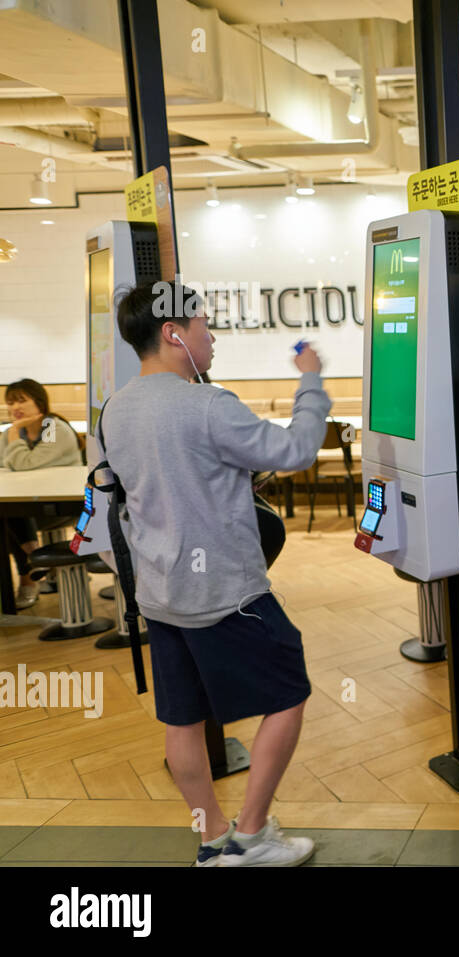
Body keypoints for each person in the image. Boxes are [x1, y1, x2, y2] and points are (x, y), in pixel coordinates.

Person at [100, 281, 329, 867]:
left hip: (161, 594)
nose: (212, 336)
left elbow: (158, 484)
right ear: (174, 333)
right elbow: (298, 449)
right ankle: (251, 835)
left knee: (183, 719)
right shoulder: (207, 404)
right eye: (203, 324)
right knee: (290, 692)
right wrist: (310, 379)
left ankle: (211, 839)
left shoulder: (116, 408)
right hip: (226, 594)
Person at [4, 379, 84, 609]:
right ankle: (32, 561)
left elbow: (23, 464)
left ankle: (28, 578)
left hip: (62, 506)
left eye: (21, 400)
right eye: (10, 403)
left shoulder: (50, 428)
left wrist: (11, 434)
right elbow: (4, 464)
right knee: (7, 514)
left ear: (39, 403)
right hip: (32, 505)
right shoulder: (16, 432)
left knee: (12, 515)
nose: (14, 408)